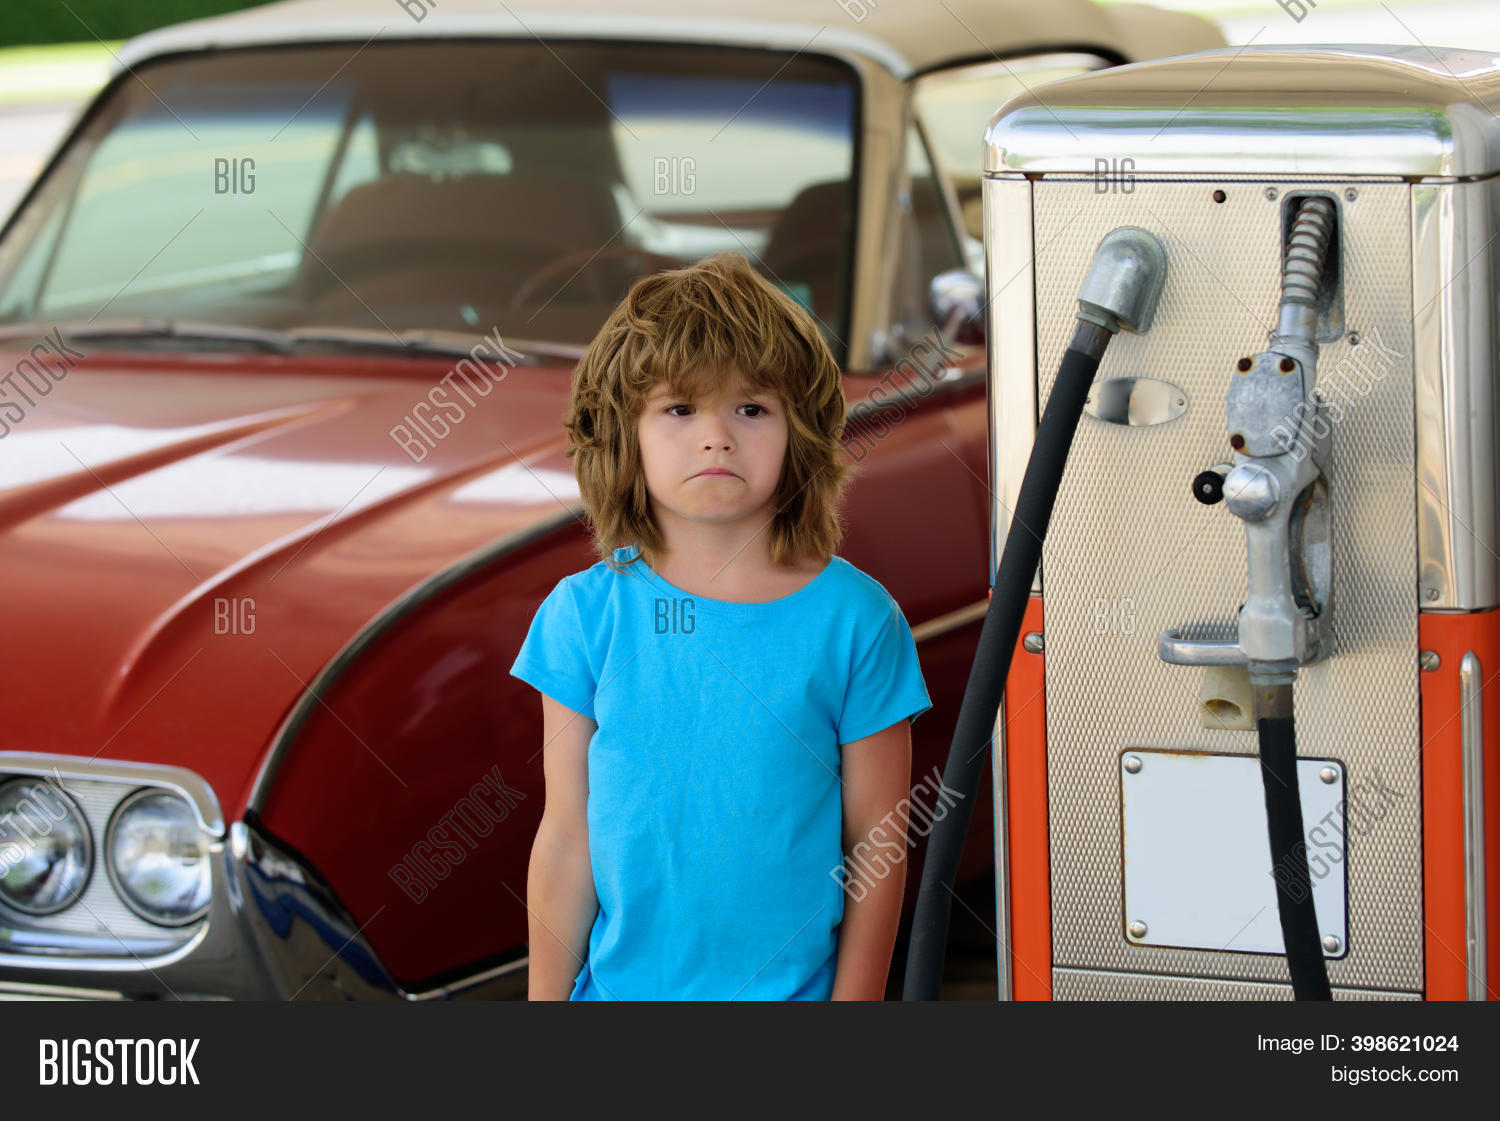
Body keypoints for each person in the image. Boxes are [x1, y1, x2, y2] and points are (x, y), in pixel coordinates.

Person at [510, 250, 932, 1000]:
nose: (717, 437)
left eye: (751, 407)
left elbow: (877, 843)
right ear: (624, 434)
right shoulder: (582, 616)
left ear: (798, 429)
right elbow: (568, 836)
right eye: (679, 408)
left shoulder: (859, 621)